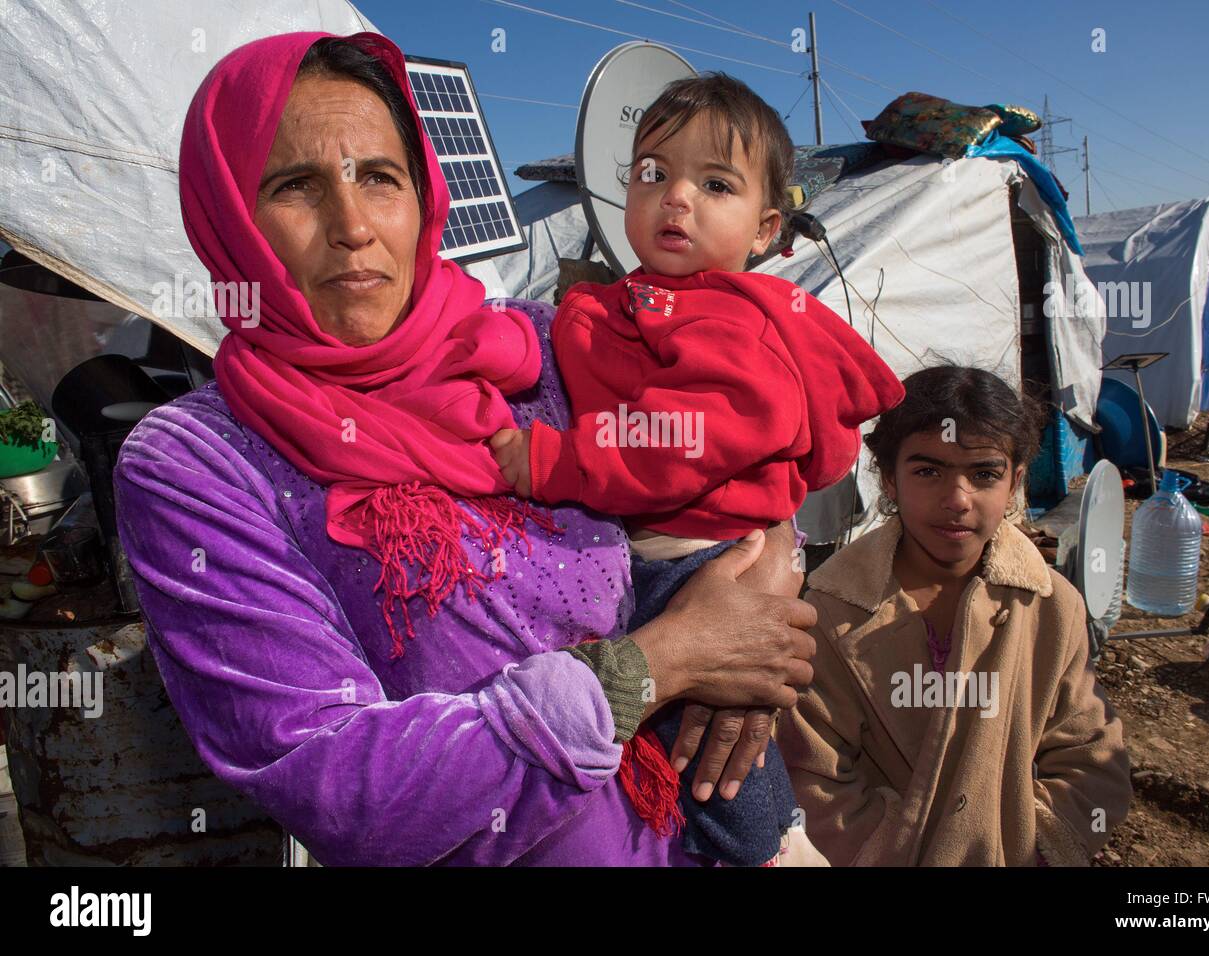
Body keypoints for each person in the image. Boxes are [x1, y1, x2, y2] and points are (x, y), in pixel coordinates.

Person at [112, 31, 817, 866]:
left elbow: (730, 457)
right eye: (294, 186)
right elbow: (342, 785)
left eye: (379, 177)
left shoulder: (543, 353)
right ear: (228, 213)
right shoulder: (197, 465)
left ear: (424, 196)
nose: (352, 226)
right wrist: (668, 662)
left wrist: (765, 584)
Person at [490, 73, 904, 866]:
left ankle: (762, 853)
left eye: (715, 184)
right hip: (696, 557)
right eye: (654, 172)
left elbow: (679, 442)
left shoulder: (727, 319)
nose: (676, 196)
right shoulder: (658, 303)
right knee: (711, 747)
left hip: (694, 565)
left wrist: (555, 460)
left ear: (765, 228)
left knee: (713, 764)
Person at [776, 366, 1132, 866]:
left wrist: (1031, 845)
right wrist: (890, 850)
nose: (958, 499)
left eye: (984, 474)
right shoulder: (831, 612)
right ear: (889, 479)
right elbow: (813, 774)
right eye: (928, 471)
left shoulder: (1050, 608)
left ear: (1015, 483)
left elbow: (1091, 760)